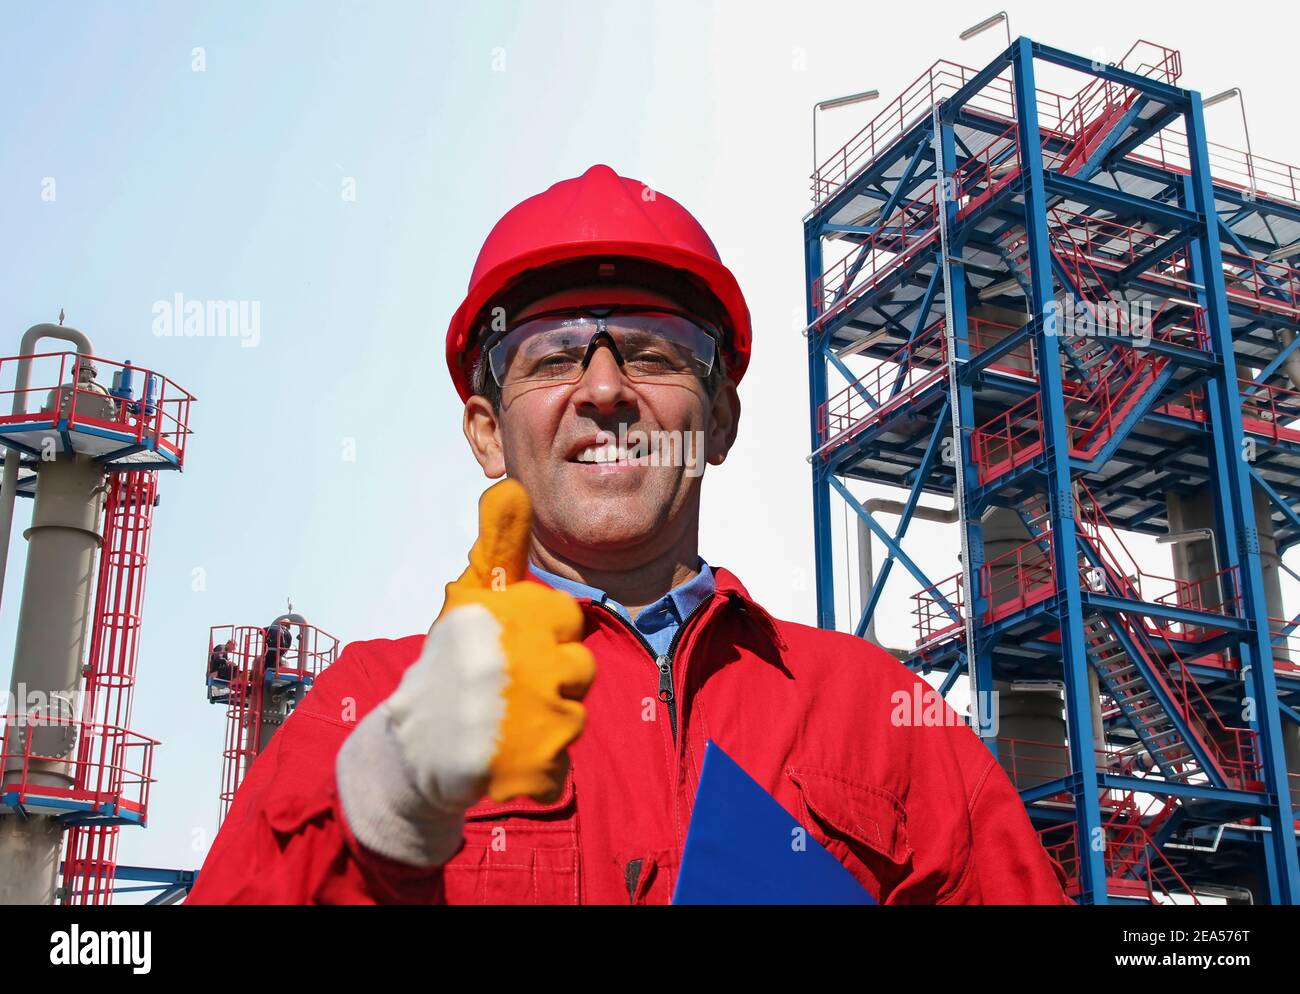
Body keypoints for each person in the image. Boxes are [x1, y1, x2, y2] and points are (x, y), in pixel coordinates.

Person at [187, 164, 1073, 905]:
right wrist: (385, 805)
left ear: (720, 420)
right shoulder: (372, 704)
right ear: (488, 433)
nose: (605, 389)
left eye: (651, 352)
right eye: (553, 355)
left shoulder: (876, 717)